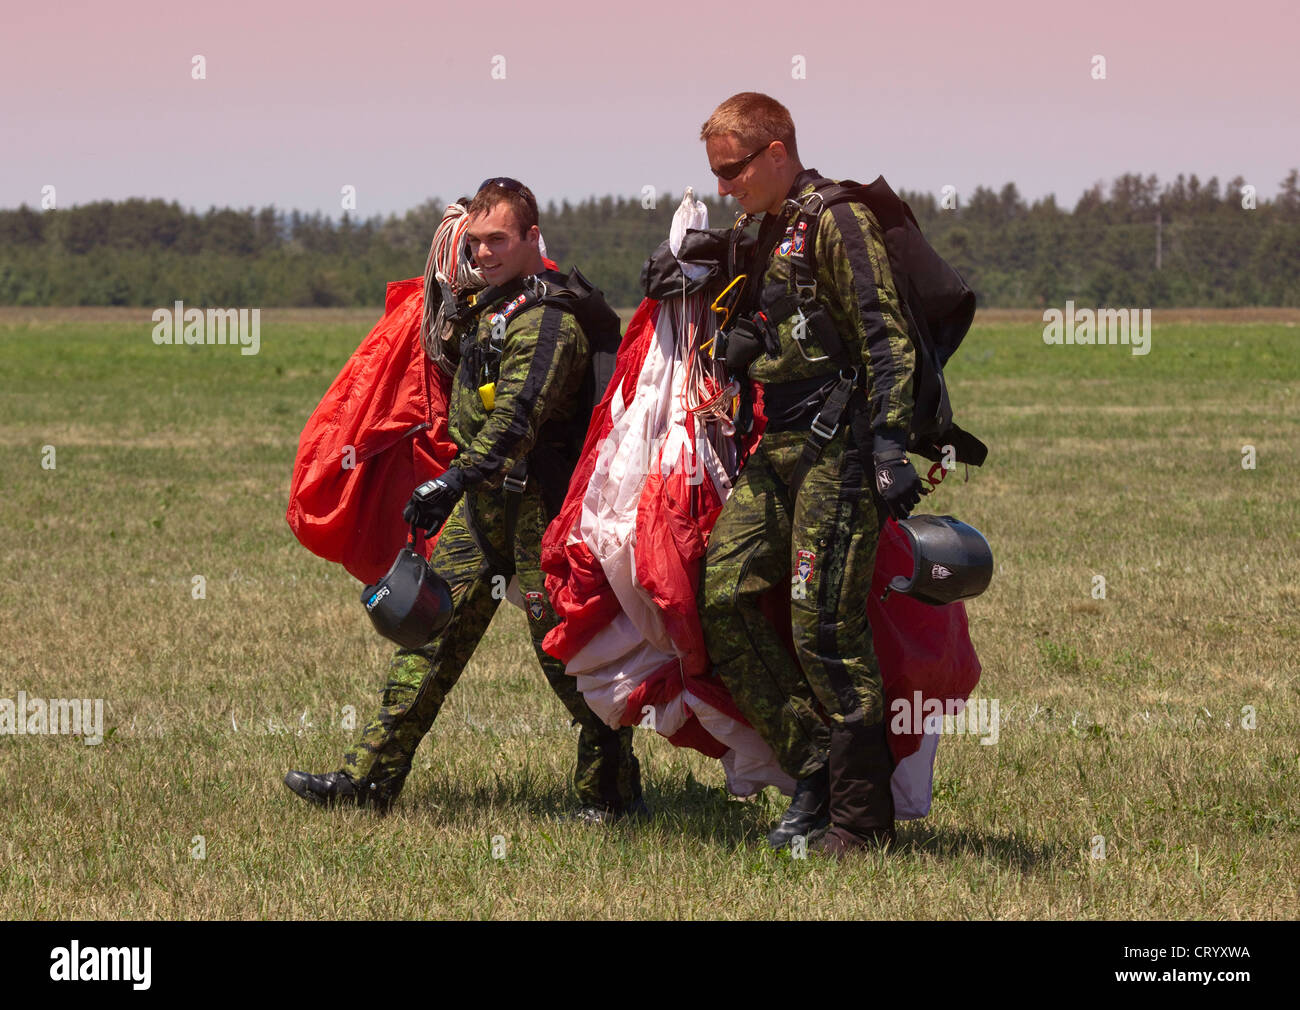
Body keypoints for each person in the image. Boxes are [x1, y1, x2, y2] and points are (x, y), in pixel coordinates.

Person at [284, 178, 646, 821]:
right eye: (475, 243)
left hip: (542, 513)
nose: (482, 253)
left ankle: (612, 796)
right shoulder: (490, 306)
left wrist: (451, 481)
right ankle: (368, 782)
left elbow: (515, 424)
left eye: (497, 240)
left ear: (534, 238)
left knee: (567, 655)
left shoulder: (549, 320)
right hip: (484, 508)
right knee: (426, 635)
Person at [697, 92, 923, 856]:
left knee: (824, 627)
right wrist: (744, 345)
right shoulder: (768, 228)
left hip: (843, 445)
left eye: (733, 170)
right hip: (782, 441)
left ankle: (861, 826)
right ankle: (814, 767)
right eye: (717, 174)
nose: (726, 186)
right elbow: (785, 316)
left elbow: (884, 332)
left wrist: (890, 445)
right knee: (724, 594)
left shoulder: (837, 218)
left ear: (777, 150)